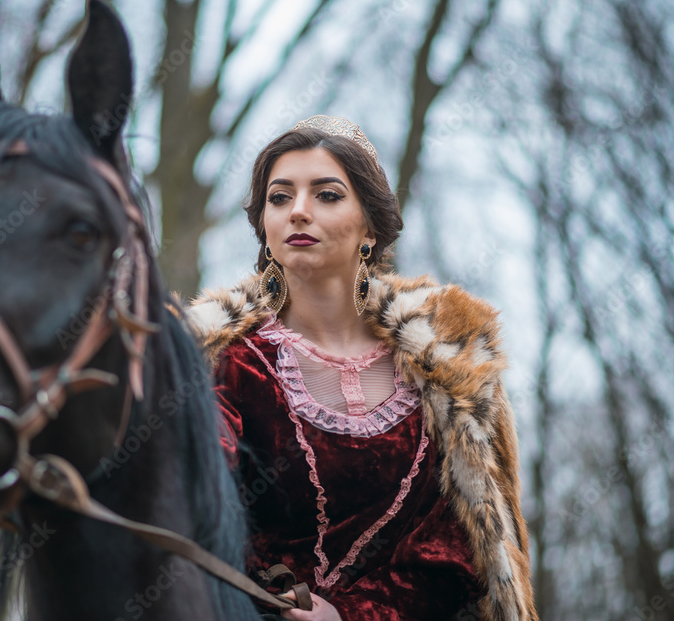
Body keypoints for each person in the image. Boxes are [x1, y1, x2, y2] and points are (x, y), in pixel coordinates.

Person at [181, 116, 538, 620]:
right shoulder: (225, 363)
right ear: (263, 225)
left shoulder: (449, 369)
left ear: (370, 226)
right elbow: (196, 510)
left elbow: (459, 553)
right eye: (279, 198)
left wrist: (348, 615)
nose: (298, 211)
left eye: (326, 195)